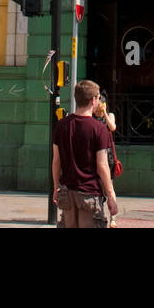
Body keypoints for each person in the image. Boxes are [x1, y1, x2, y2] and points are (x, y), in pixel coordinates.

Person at [52, 79, 118, 228]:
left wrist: (56, 186)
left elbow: (56, 161)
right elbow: (102, 165)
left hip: (67, 192)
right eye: (98, 98)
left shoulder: (61, 125)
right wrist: (111, 194)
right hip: (89, 195)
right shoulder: (99, 129)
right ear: (93, 100)